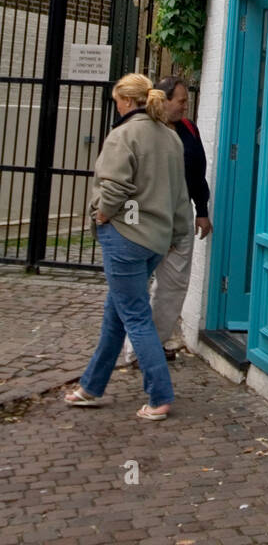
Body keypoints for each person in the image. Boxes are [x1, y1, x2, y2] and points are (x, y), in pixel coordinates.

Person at [64, 73, 189, 421]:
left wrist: (101, 214)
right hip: (156, 240)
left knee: (133, 315)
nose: (115, 105)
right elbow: (181, 194)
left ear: (127, 101)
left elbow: (115, 188)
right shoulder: (170, 137)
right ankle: (91, 386)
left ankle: (160, 396)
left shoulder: (123, 135)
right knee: (117, 314)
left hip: (125, 238)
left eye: (117, 99)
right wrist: (177, 235)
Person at [121, 76, 212, 367]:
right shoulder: (144, 129)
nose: (186, 106)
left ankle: (151, 346)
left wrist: (202, 210)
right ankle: (135, 349)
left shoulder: (189, 129)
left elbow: (198, 172)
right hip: (146, 215)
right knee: (133, 287)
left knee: (173, 285)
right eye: (182, 101)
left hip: (180, 214)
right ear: (165, 99)